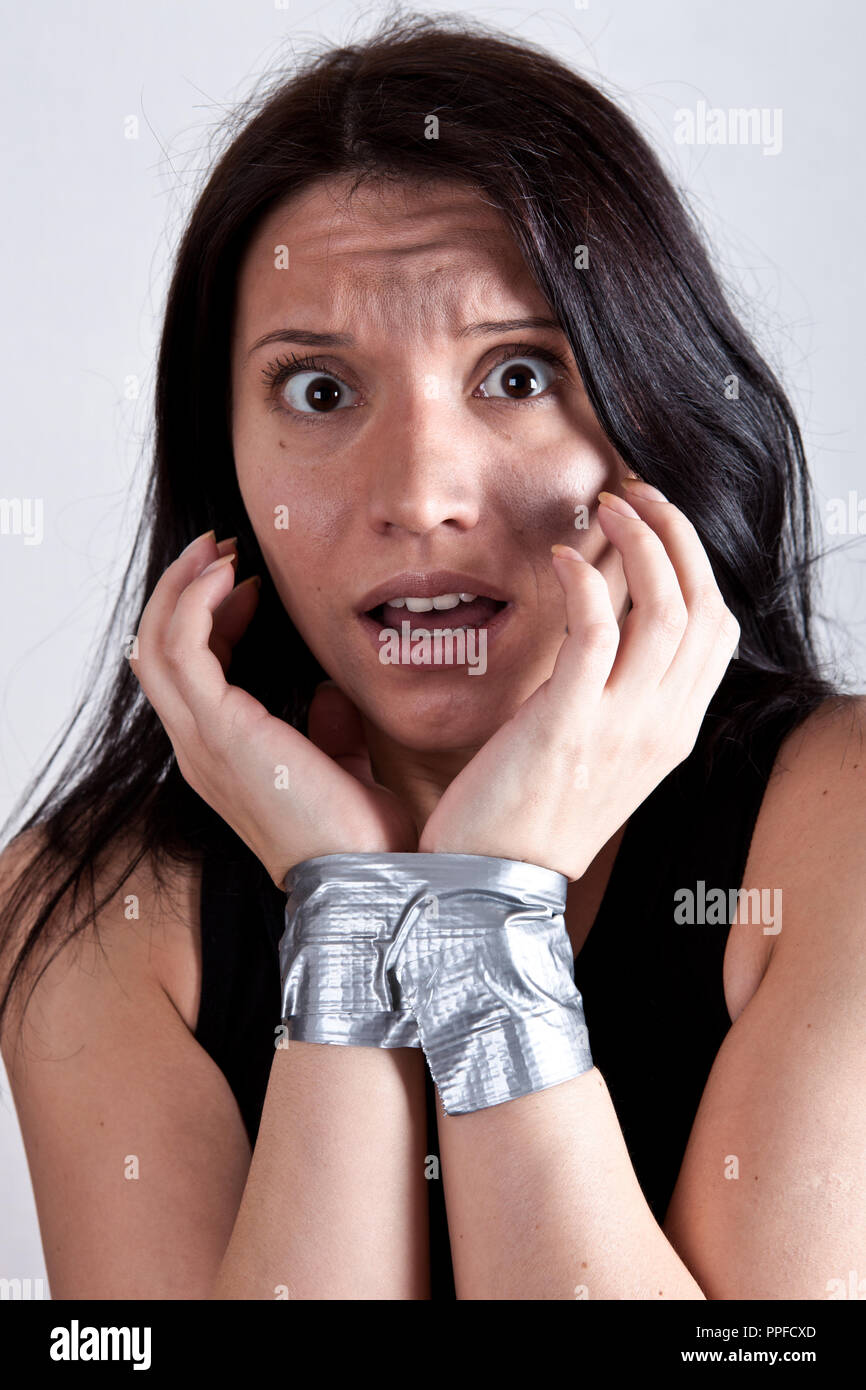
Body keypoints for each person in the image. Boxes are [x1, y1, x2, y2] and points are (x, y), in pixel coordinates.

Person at [1, 12, 863, 1301]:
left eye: (518, 376)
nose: (418, 493)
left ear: (652, 414)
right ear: (221, 453)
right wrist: (348, 911)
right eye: (318, 391)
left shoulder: (836, 824)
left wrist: (484, 911)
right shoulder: (83, 906)